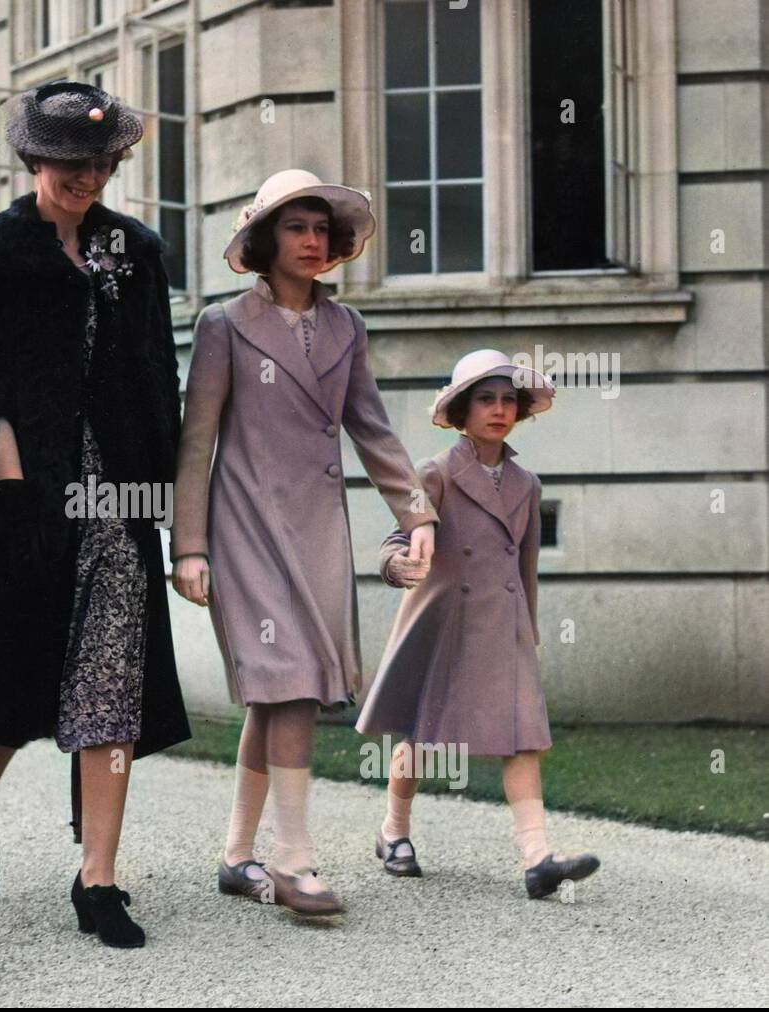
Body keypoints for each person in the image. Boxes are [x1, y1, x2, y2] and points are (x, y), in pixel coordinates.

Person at [0, 81, 191, 949]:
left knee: (109, 683)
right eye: (70, 162)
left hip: (118, 500)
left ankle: (99, 882)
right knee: (18, 683)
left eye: (100, 162)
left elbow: (157, 376)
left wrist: (164, 490)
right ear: (35, 159)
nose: (86, 177)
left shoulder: (137, 253)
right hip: (26, 503)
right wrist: (5, 487)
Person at [171, 169, 438, 916]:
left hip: (320, 530)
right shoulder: (224, 326)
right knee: (288, 683)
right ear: (264, 241)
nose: (313, 241)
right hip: (245, 528)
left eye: (322, 229)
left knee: (279, 691)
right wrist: (187, 546)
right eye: (296, 227)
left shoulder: (348, 329)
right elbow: (197, 443)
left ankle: (237, 857)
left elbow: (375, 432)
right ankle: (294, 861)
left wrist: (418, 516)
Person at [356, 349, 601, 899]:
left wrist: (529, 632)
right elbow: (398, 540)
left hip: (505, 624)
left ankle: (537, 856)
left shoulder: (527, 484)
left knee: (523, 738)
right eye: (485, 399)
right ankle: (394, 830)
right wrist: (399, 564)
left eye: (507, 400)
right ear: (462, 411)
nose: (498, 410)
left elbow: (526, 567)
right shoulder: (434, 474)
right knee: (421, 735)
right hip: (445, 620)